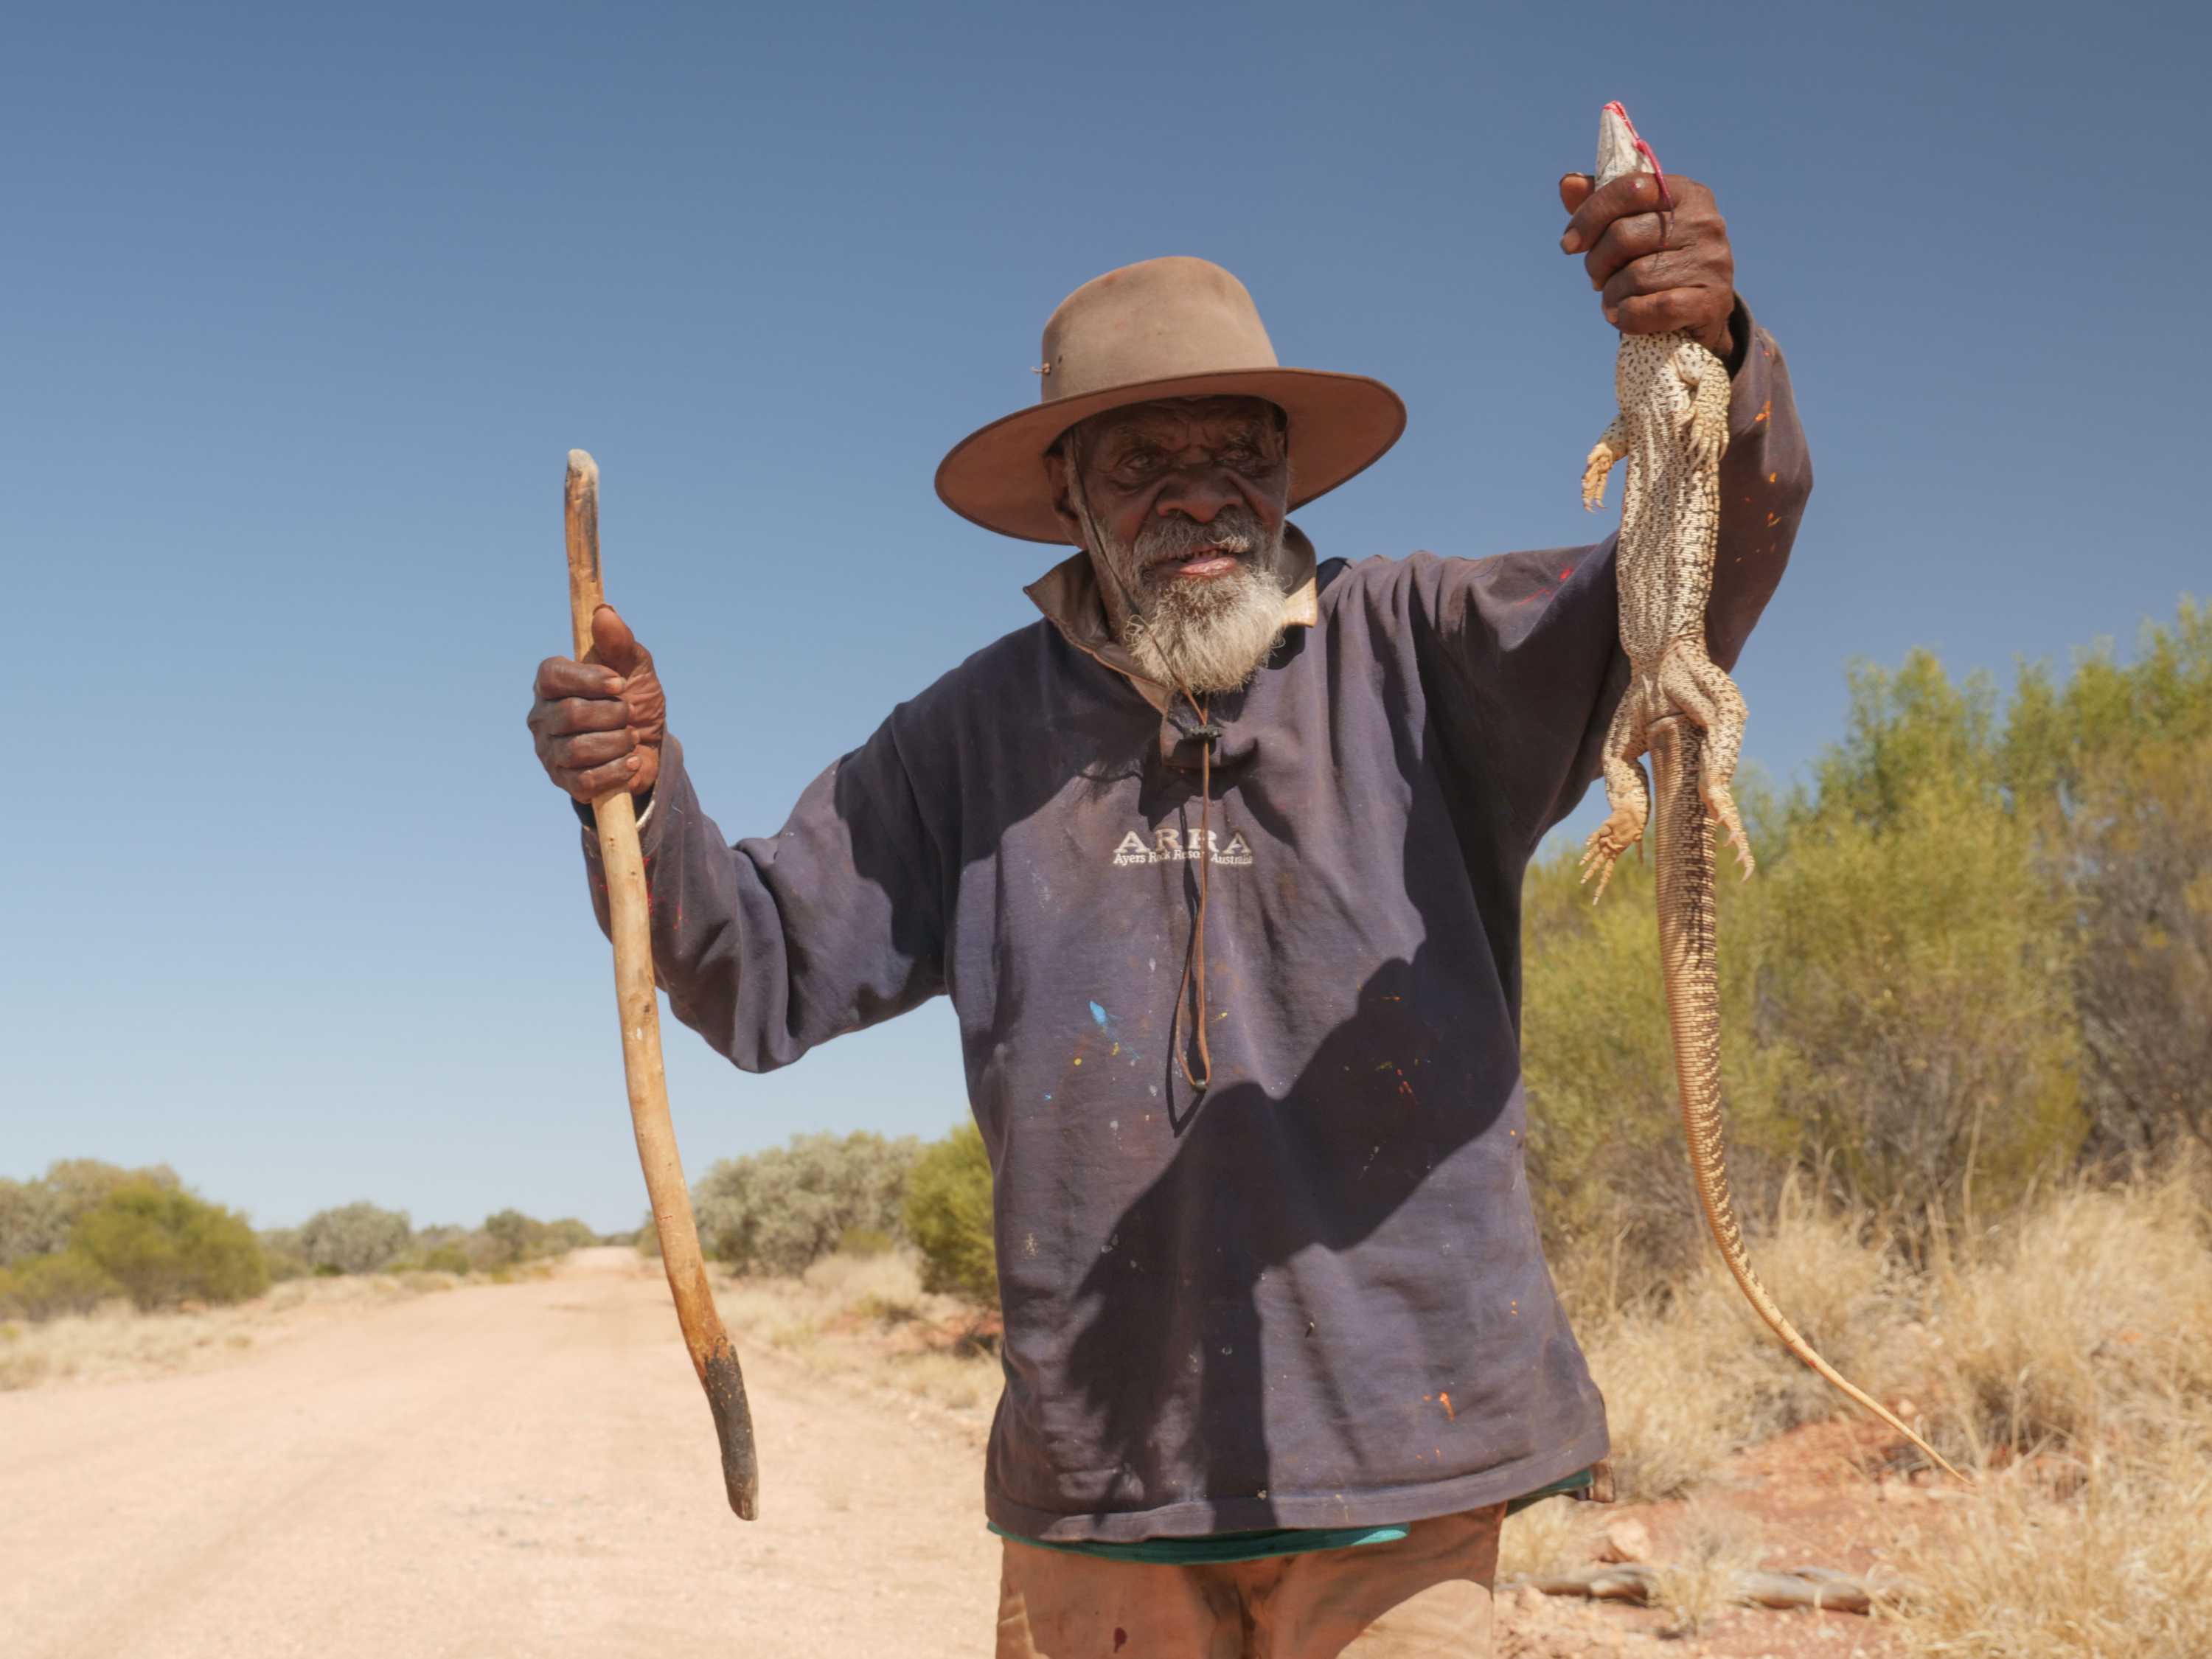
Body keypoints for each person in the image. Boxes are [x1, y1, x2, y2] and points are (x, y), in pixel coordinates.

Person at [529, 167, 1809, 1658]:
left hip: (1403, 1441)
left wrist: (1708, 351)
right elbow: (749, 969)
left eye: (1238, 455)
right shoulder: (969, 739)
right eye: (1144, 462)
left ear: (1290, 479)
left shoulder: (1424, 650)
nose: (1200, 495)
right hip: (1104, 1470)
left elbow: (1683, 590)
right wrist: (637, 793)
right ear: (1067, 495)